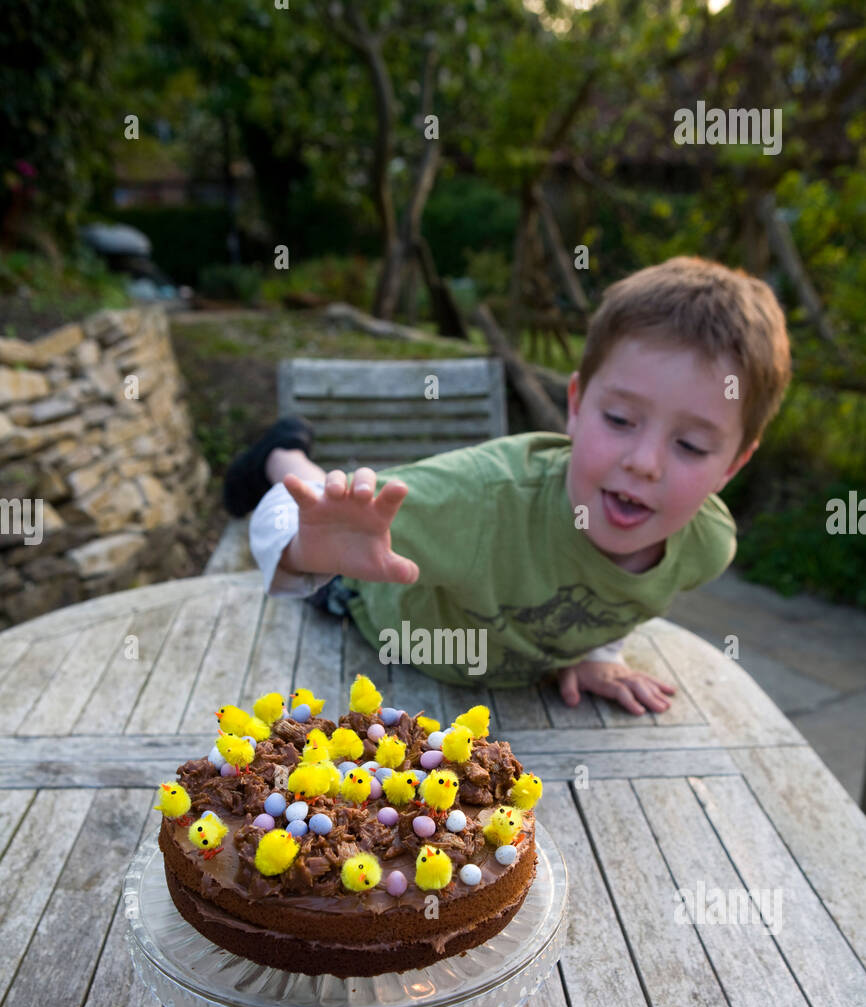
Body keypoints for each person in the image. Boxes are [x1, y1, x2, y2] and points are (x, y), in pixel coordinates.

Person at [224, 256, 791, 714]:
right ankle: (280, 452)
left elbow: (614, 597)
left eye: (690, 446)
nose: (645, 463)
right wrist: (305, 549)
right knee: (327, 497)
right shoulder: (479, 502)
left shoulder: (705, 547)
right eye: (619, 420)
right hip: (368, 605)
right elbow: (299, 517)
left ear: (733, 466)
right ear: (575, 405)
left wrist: (597, 653)